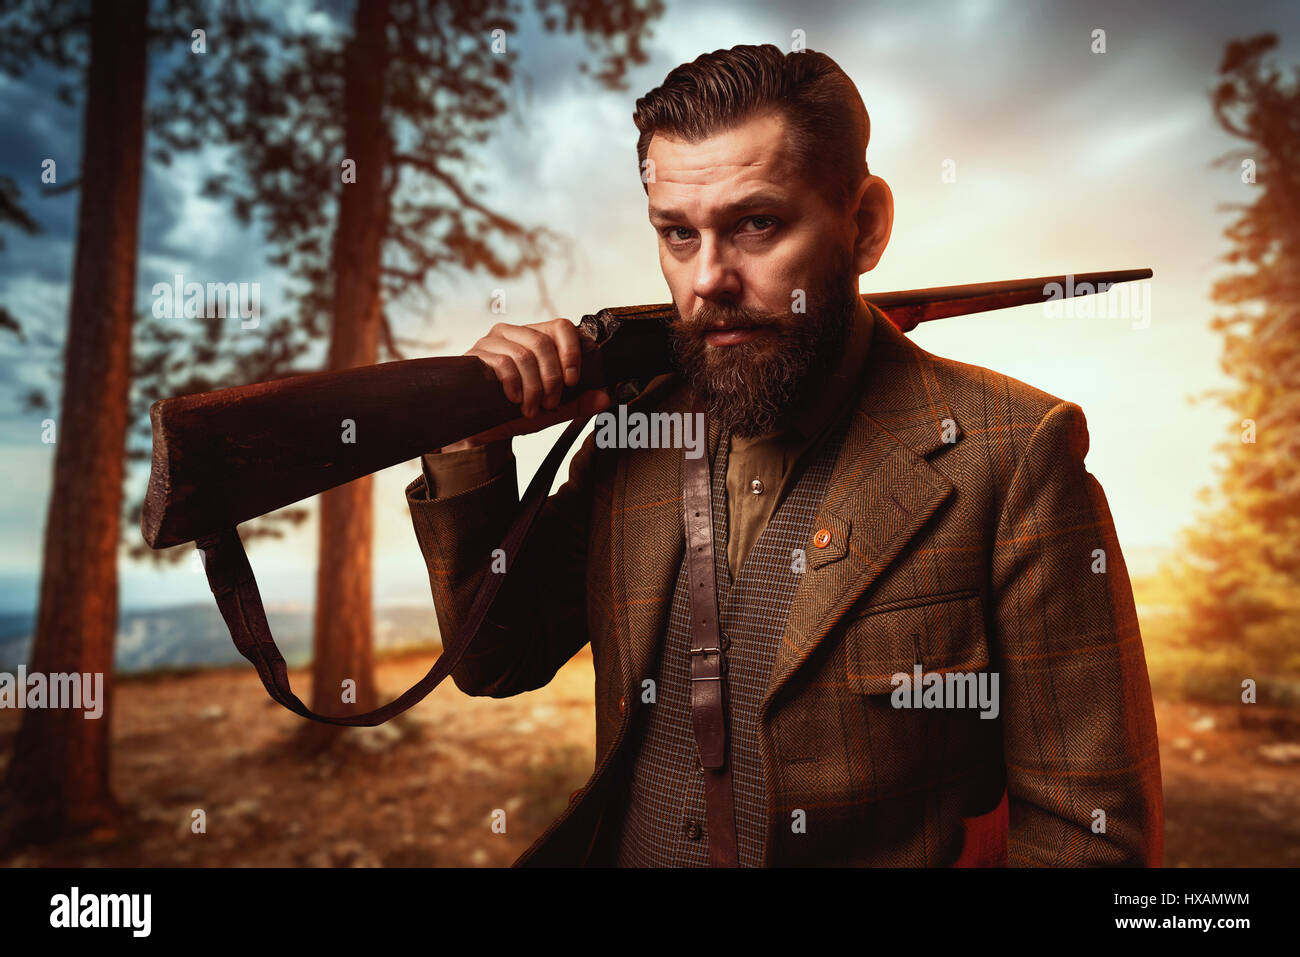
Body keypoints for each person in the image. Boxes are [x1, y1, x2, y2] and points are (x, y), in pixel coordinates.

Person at [405, 43, 1163, 867]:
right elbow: (493, 658)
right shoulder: (638, 428)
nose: (709, 280)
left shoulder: (1013, 455)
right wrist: (468, 445)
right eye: (678, 235)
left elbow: (1093, 839)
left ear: (864, 224)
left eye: (756, 223)